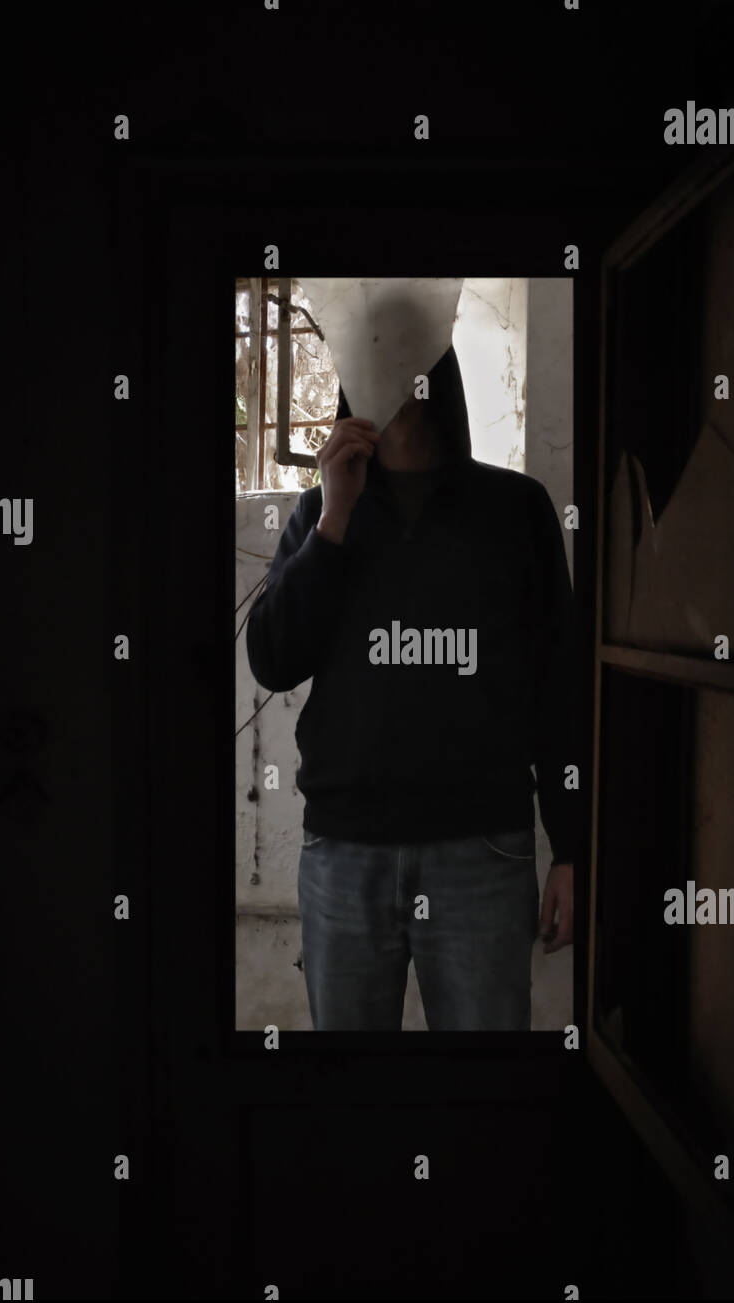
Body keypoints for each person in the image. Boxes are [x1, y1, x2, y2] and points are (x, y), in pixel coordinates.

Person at [245, 344, 575, 1029]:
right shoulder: (319, 514)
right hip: (343, 850)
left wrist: (573, 851)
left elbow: (558, 686)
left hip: (482, 849)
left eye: (418, 366)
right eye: (387, 368)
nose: (407, 387)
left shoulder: (515, 509)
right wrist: (335, 515)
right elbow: (274, 660)